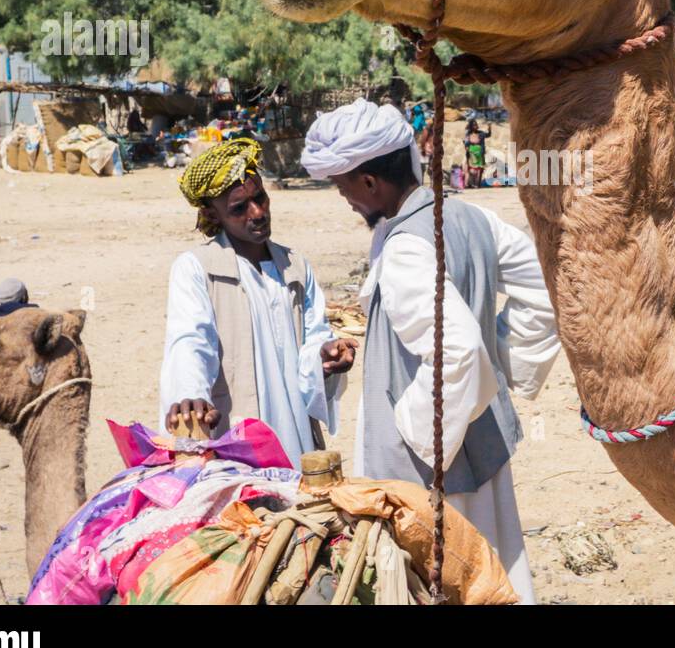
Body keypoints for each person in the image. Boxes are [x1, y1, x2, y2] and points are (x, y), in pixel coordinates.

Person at [301, 99, 560, 604]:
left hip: (430, 477)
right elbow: (545, 285)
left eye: (343, 187)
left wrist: (416, 435)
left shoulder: (405, 249)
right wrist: (504, 362)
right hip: (481, 447)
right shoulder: (470, 216)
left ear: (371, 182)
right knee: (498, 578)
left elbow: (459, 352)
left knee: (449, 584)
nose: (345, 200)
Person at [160, 137, 357, 467]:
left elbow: (313, 336)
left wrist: (324, 356)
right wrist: (190, 394)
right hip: (238, 426)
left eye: (260, 198)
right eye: (239, 208)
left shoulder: (294, 265)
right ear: (213, 213)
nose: (258, 213)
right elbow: (190, 341)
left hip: (295, 430)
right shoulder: (196, 268)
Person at [464, 118, 491, 188]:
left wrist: (489, 128)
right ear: (471, 126)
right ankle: (468, 183)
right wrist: (468, 148)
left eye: (476, 125)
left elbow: (488, 135)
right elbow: (466, 143)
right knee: (470, 169)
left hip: (480, 153)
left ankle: (477, 184)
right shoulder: (468, 134)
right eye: (474, 125)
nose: (476, 126)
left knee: (480, 169)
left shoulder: (481, 133)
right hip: (471, 154)